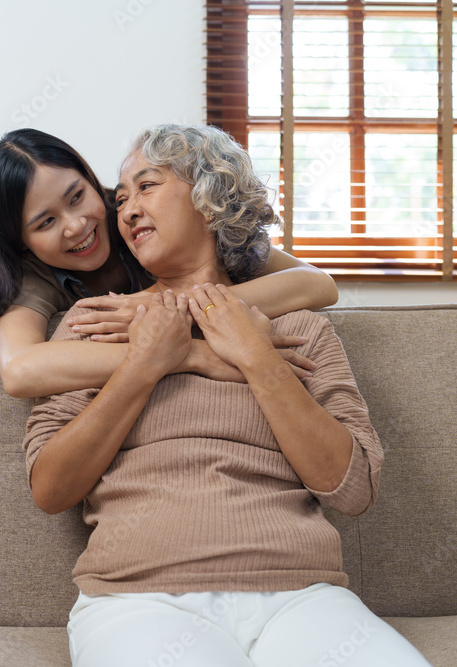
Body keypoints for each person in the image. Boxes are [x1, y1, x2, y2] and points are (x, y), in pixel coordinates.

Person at [23, 124, 431, 666]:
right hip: (139, 600)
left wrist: (257, 357)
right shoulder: (96, 325)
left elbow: (352, 489)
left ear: (209, 197)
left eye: (147, 187)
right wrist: (144, 364)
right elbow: (51, 488)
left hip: (300, 596)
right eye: (121, 200)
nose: (127, 211)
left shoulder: (299, 326)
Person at [0, 128, 339, 399]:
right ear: (20, 243)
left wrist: (163, 308)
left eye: (77, 197)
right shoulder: (28, 274)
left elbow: (317, 284)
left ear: (92, 183)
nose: (76, 226)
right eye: (45, 222)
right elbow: (20, 370)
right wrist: (188, 353)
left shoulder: (136, 218)